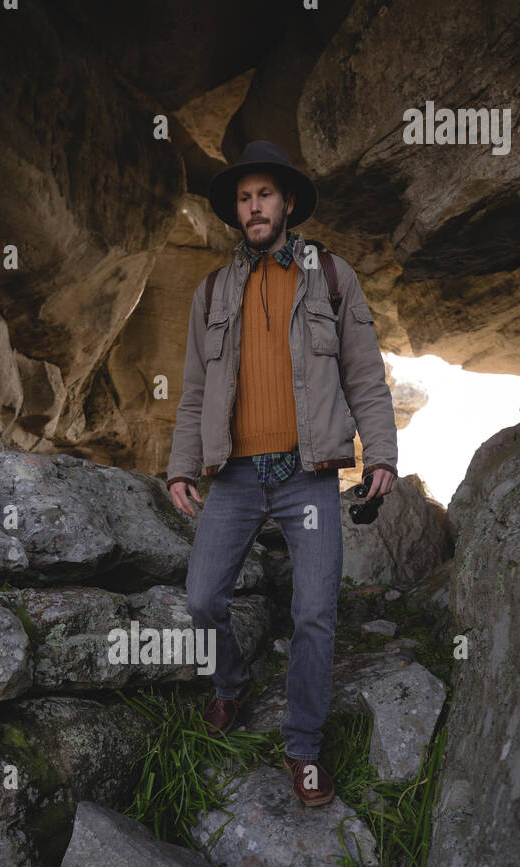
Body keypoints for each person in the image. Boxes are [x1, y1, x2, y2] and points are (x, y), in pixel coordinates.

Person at [166, 140, 398, 806]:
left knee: (316, 613)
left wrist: (379, 452)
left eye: (264, 194)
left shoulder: (331, 277)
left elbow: (363, 372)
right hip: (235, 476)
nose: (254, 207)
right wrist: (184, 465)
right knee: (203, 598)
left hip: (308, 474)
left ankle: (303, 748)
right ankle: (231, 686)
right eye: (244, 198)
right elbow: (191, 390)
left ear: (288, 202)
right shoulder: (210, 290)